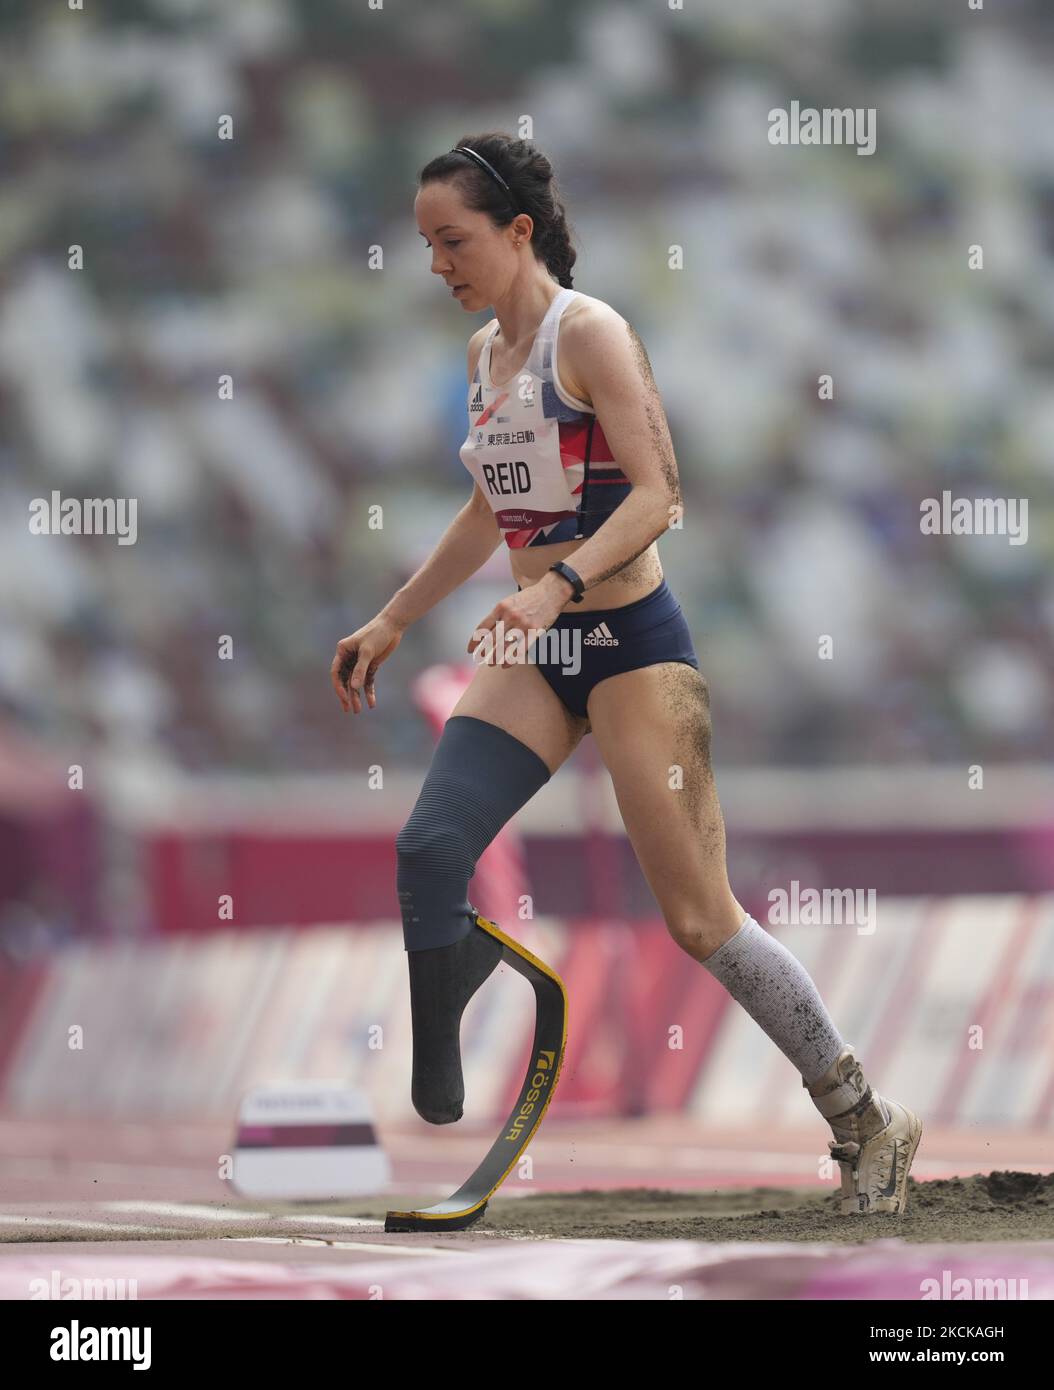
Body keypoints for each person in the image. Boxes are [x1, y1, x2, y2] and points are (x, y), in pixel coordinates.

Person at [330, 132, 921, 1215]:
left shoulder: (588, 332)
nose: (434, 263)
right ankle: (452, 1011)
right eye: (423, 244)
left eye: (451, 240)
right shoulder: (480, 357)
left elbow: (661, 495)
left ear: (518, 232)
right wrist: (389, 617)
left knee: (699, 921)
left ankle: (864, 1118)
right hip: (538, 654)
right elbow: (486, 512)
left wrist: (555, 589)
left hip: (629, 647)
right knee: (429, 847)